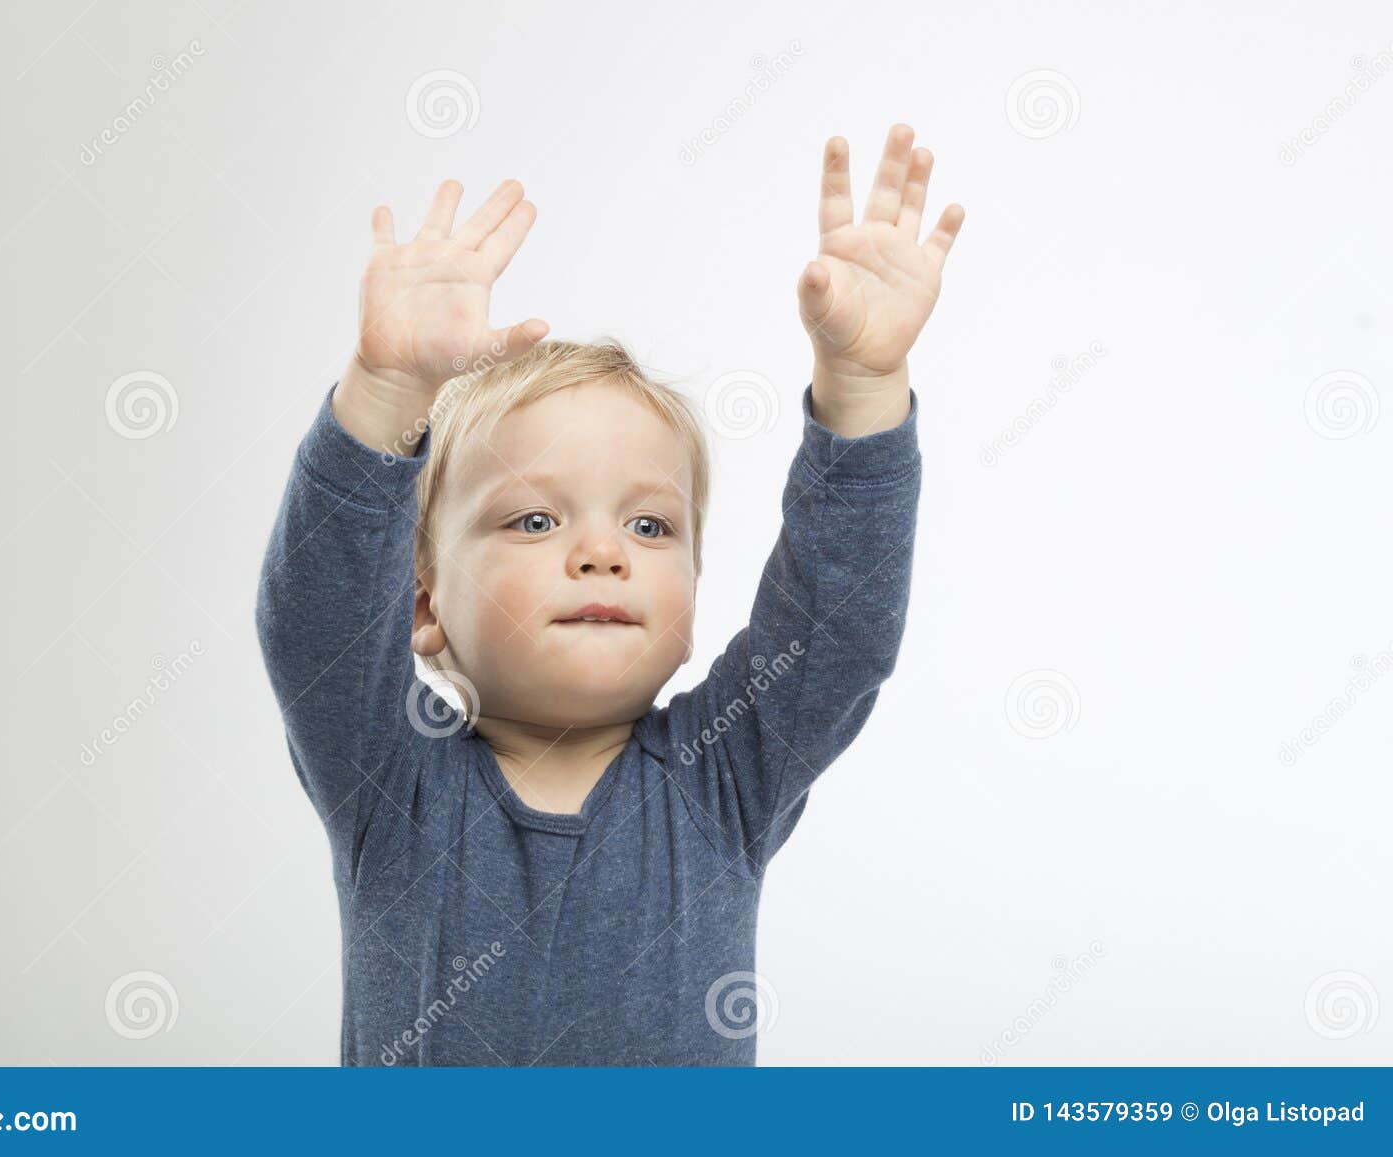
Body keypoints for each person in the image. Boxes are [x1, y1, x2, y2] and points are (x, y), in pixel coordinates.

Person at [256, 124, 964, 1064]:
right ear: (420, 604)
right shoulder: (394, 785)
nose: (602, 553)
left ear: (694, 600)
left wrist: (863, 387)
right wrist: (386, 389)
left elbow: (838, 629)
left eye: (649, 526)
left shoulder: (723, 776)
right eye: (534, 522)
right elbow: (320, 625)